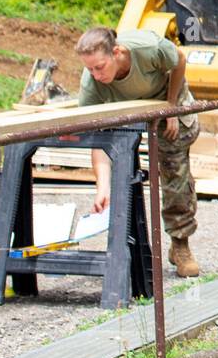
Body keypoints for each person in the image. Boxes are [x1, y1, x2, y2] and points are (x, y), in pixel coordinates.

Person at [76, 26, 200, 279]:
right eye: (89, 69)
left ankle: (180, 243)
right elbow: (99, 142)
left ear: (117, 52)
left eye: (100, 67)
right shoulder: (92, 85)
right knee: (121, 157)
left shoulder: (147, 49)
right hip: (123, 107)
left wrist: (171, 106)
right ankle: (129, 244)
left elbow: (180, 60)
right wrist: (103, 189)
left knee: (175, 167)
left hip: (166, 96)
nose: (96, 75)